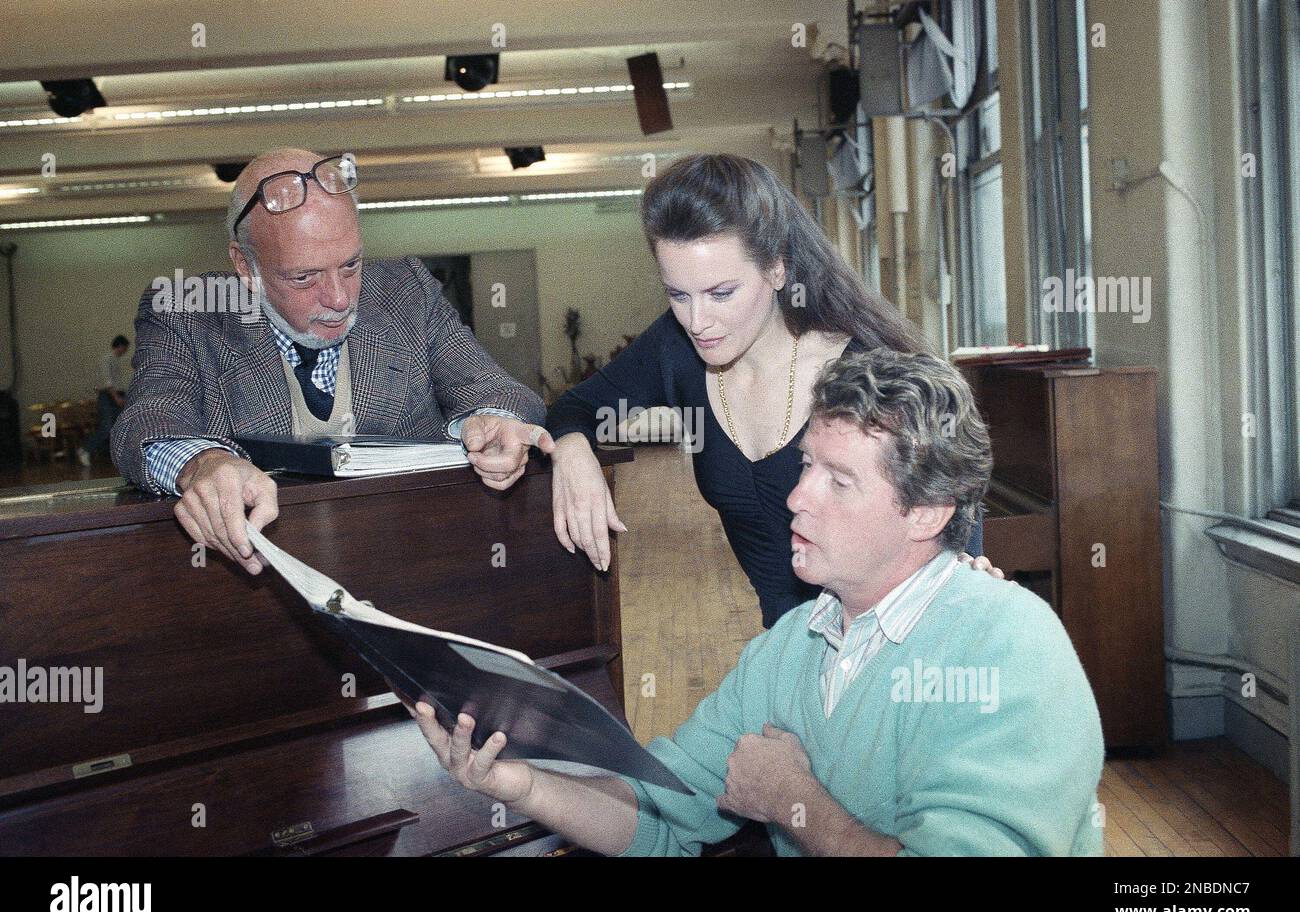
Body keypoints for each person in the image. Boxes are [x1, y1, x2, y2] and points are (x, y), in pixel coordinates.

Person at [411, 348, 1105, 856]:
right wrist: (522, 785)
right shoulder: (793, 643)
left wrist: (794, 802)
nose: (797, 497)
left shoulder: (1008, 643)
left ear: (927, 513)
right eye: (806, 465)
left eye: (839, 482)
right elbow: (659, 813)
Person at [539, 154, 996, 629]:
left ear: (777, 269)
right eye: (678, 295)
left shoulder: (869, 372)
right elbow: (577, 406)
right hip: (785, 657)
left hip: (886, 649)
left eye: (721, 293)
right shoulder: (675, 350)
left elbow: (953, 527)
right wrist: (573, 455)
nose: (698, 321)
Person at [112, 148, 550, 574]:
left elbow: (496, 389)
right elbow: (149, 420)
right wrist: (202, 464)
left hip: (419, 566)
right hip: (272, 584)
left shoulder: (407, 292)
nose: (339, 299)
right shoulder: (188, 311)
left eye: (350, 265)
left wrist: (494, 419)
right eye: (304, 277)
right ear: (246, 265)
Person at [78, 334, 130, 466]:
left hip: (116, 395)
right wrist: (116, 397)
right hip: (108, 397)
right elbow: (107, 382)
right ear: (120, 346)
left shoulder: (116, 361)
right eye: (125, 348)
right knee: (106, 427)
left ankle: (120, 456)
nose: (126, 351)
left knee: (119, 427)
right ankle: (85, 449)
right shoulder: (106, 360)